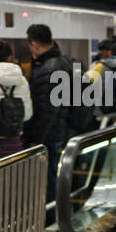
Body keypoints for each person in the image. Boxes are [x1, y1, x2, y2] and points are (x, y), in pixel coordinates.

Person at [23, 23, 75, 205]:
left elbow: (48, 110)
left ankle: (51, 216)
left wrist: (37, 139)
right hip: (61, 130)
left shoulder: (49, 69)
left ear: (34, 44)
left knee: (50, 181)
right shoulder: (64, 62)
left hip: (51, 136)